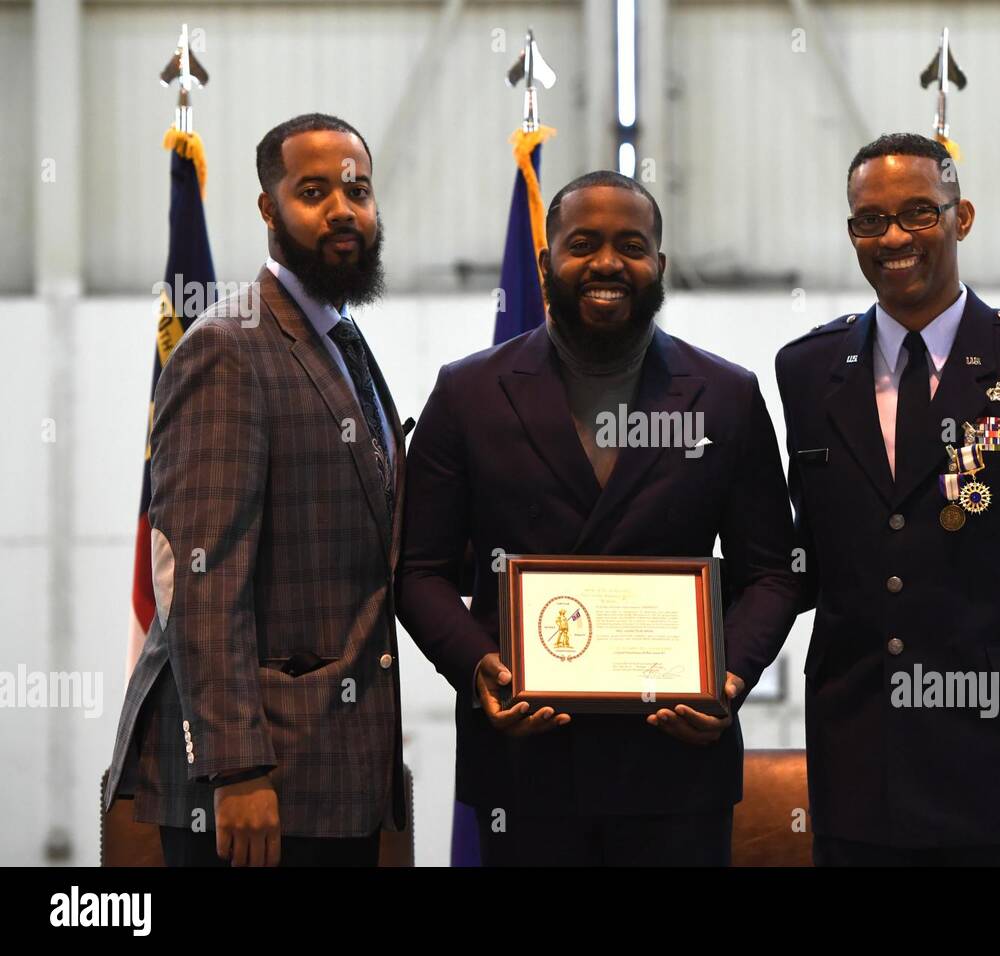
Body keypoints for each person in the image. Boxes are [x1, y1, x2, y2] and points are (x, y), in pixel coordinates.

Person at [398, 171, 801, 865]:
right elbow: (418, 570)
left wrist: (729, 679)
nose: (608, 263)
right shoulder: (466, 393)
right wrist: (476, 666)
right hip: (524, 765)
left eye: (631, 245)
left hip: (678, 765)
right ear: (547, 260)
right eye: (582, 243)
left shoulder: (728, 396)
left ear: (659, 265)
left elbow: (773, 572)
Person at [775, 132, 1000, 866]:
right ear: (851, 233)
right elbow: (798, 563)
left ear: (960, 217)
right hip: (858, 771)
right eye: (870, 221)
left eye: (918, 214)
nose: (894, 237)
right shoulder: (808, 371)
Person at [104, 113, 405, 867]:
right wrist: (237, 770)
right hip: (251, 792)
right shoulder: (228, 348)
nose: (343, 209)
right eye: (313, 192)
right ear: (268, 209)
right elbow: (203, 580)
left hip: (335, 778)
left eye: (357, 189)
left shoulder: (344, 340)